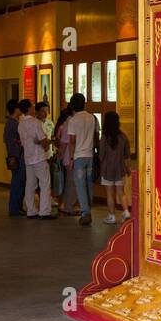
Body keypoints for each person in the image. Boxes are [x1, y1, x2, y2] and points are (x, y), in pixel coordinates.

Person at [66, 92, 100, 226]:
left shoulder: (73, 120)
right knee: (89, 184)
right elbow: (96, 135)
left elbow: (72, 141)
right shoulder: (92, 118)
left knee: (80, 186)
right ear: (84, 103)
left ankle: (85, 213)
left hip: (79, 156)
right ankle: (88, 208)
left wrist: (71, 158)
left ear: (73, 105)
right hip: (90, 155)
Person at [19, 99, 55, 219]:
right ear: (29, 109)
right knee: (45, 183)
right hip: (39, 157)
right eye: (32, 106)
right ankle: (44, 211)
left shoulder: (21, 124)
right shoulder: (36, 123)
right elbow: (43, 141)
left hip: (28, 158)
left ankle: (31, 210)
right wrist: (49, 141)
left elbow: (24, 142)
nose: (34, 107)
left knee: (30, 184)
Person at [98, 110, 131, 224]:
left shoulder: (105, 137)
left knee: (109, 194)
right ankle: (126, 211)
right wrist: (127, 168)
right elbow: (127, 155)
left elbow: (101, 155)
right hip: (120, 169)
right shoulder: (123, 137)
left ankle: (111, 216)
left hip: (107, 169)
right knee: (121, 192)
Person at [53, 106, 78, 215]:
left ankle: (65, 205)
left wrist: (60, 156)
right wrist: (60, 156)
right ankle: (68, 206)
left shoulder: (66, 124)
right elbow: (65, 143)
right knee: (69, 183)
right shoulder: (68, 124)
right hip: (69, 157)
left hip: (67, 157)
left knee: (68, 182)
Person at [4, 97, 25, 216]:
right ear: (15, 109)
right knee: (18, 182)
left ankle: (16, 207)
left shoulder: (10, 123)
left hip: (14, 155)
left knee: (17, 181)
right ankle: (15, 208)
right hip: (17, 156)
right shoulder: (14, 124)